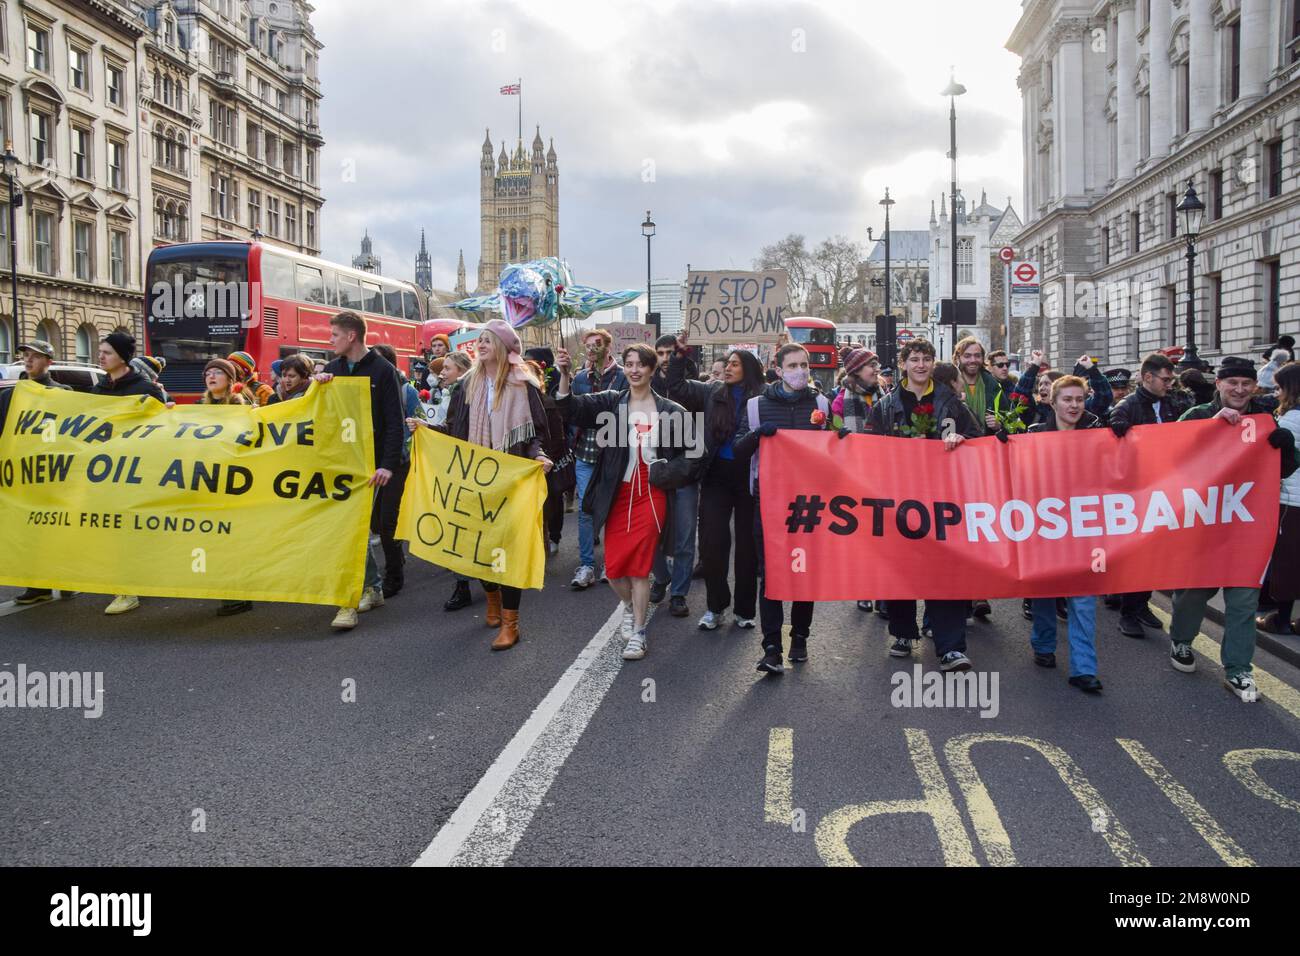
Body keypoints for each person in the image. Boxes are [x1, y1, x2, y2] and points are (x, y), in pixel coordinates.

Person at [1166, 357, 1296, 700]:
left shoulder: (1266, 417)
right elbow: (1170, 459)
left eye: (1246, 383)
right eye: (1232, 383)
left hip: (1247, 524)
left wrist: (1285, 448)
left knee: (1243, 599)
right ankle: (1181, 640)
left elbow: (1282, 470)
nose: (1239, 389)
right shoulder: (1195, 416)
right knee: (1194, 592)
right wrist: (1211, 426)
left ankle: (1238, 669)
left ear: (1254, 386)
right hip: (1204, 523)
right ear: (1219, 385)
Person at [557, 343, 688, 659]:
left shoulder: (672, 411)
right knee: (615, 570)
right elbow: (570, 408)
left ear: (652, 370)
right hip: (617, 494)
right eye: (629, 364)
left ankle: (639, 633)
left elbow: (694, 457)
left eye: (641, 364)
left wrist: (665, 471)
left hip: (651, 494)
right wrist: (563, 375)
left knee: (640, 569)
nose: (634, 370)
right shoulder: (612, 403)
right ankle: (629, 605)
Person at [430, 319, 553, 650]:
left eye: (488, 340)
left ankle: (511, 623)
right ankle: (492, 599)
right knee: (479, 548)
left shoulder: (522, 385)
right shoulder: (467, 385)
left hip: (508, 478)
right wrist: (426, 431)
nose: (480, 345)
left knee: (505, 551)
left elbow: (535, 432)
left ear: (502, 347)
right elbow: (455, 427)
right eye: (479, 340)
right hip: (473, 478)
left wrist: (539, 455)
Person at [868, 338, 981, 671]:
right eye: (914, 359)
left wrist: (963, 440)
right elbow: (868, 450)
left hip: (943, 499)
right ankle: (903, 632)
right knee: (902, 568)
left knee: (945, 570)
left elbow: (977, 438)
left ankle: (950, 647)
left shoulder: (952, 403)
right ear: (903, 363)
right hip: (899, 498)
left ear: (934, 364)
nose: (920, 365)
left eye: (926, 359)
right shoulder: (885, 406)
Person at [733, 343, 833, 674]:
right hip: (770, 501)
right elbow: (738, 450)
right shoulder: (755, 406)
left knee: (804, 572)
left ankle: (800, 636)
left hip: (808, 503)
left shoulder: (821, 404)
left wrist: (839, 438)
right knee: (771, 573)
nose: (801, 371)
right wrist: (758, 434)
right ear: (779, 370)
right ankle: (772, 646)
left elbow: (831, 451)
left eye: (805, 365)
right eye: (793, 365)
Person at [666, 331, 766, 632]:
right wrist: (680, 356)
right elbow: (677, 387)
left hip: (750, 477)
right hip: (716, 476)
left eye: (736, 363)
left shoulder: (765, 396)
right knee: (712, 544)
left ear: (749, 367)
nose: (730, 367)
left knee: (747, 547)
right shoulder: (712, 391)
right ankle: (715, 607)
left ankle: (745, 611)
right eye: (729, 363)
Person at [314, 312, 405, 630]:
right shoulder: (332, 370)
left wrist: (387, 465)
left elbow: (395, 422)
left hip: (371, 462)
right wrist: (319, 389)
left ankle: (368, 587)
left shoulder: (384, 370)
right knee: (350, 528)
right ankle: (373, 586)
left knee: (355, 528)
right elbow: (322, 415)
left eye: (334, 335)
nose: (330, 341)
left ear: (351, 336)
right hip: (342, 460)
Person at [1024, 375, 1107, 693]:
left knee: (1083, 598)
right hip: (1043, 525)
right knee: (1044, 592)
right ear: (1053, 402)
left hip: (1083, 526)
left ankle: (1084, 668)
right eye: (1067, 399)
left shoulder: (1097, 435)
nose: (1074, 405)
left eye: (1079, 399)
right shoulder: (1032, 434)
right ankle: (1043, 645)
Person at [1108, 352, 1189, 636]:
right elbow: (1114, 423)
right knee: (1137, 554)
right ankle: (1128, 613)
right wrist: (1118, 427)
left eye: (1172, 379)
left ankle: (1141, 604)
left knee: (1155, 553)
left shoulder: (1172, 403)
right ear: (1147, 378)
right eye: (1165, 379)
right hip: (1136, 492)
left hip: (1165, 489)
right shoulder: (1128, 406)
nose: (1169, 384)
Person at [93, 332, 166, 617]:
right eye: (99, 352)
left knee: (127, 528)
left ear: (122, 357)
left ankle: (127, 589)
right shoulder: (99, 389)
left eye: (107, 352)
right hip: (103, 470)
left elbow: (161, 429)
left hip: (136, 470)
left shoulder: (145, 389)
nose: (101, 357)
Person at [409, 350, 478, 613]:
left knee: (463, 527)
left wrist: (428, 428)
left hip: (467, 465)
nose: (441, 373)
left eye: (446, 368)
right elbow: (452, 429)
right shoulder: (452, 392)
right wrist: (425, 426)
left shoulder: (464, 393)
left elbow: (456, 432)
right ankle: (465, 584)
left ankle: (477, 584)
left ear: (461, 370)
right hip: (457, 464)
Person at [4, 340, 72, 607]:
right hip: (23, 474)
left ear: (49, 362)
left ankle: (66, 578)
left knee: (56, 529)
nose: (28, 360)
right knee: (29, 530)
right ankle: (37, 584)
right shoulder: (11, 395)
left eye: (35, 356)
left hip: (53, 474)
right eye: (25, 356)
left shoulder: (63, 393)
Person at [568, 329, 626, 590]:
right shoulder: (580, 378)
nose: (592, 349)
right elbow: (572, 410)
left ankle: (611, 564)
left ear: (608, 347)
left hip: (613, 455)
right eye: (588, 345)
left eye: (597, 345)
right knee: (585, 509)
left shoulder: (623, 377)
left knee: (613, 509)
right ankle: (587, 565)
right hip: (585, 453)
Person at [650, 334, 701, 617]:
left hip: (685, 471)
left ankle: (679, 593)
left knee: (683, 537)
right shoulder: (646, 384)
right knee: (650, 533)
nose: (666, 358)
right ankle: (661, 577)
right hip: (655, 471)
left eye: (671, 352)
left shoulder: (695, 384)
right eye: (661, 353)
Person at [833, 348, 882, 614]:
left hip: (883, 474)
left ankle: (883, 591)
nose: (875, 369)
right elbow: (836, 436)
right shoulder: (842, 401)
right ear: (855, 371)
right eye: (869, 366)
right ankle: (864, 589)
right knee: (865, 538)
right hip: (857, 477)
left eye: (876, 364)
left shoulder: (883, 394)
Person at [372, 343, 423, 597]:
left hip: (400, 462)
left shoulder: (406, 390)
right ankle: (396, 555)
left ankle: (394, 575)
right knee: (375, 521)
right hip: (373, 461)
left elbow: (421, 423)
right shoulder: (372, 390)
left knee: (388, 518)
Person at [1260, 362, 1300, 634]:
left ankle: (1282, 620)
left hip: (1291, 501)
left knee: (1287, 561)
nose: (1275, 393)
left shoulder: (1289, 421)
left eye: (1278, 387)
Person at [525, 348, 575, 558]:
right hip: (530, 462)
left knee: (552, 500)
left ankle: (553, 537)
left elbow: (558, 436)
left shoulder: (548, 402)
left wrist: (546, 457)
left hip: (548, 462)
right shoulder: (518, 399)